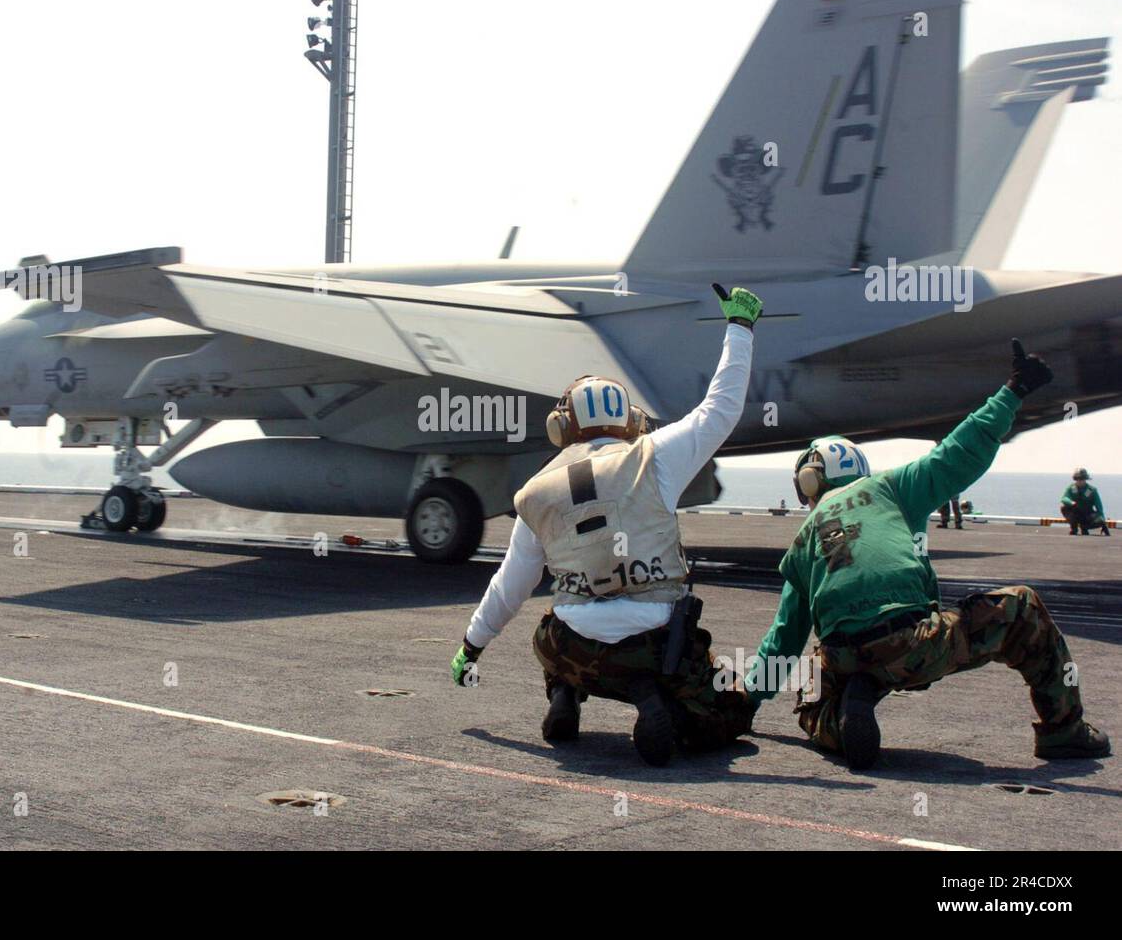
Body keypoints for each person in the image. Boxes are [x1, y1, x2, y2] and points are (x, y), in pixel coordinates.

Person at [744, 340, 1110, 768]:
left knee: (812, 675)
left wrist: (744, 701)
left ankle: (835, 721)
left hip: (843, 655)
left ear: (808, 482)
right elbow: (959, 453)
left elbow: (784, 637)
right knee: (1023, 608)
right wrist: (1014, 390)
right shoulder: (892, 487)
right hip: (915, 646)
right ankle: (1063, 732)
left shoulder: (805, 536)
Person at [449, 288, 764, 766]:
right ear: (630, 421)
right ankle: (652, 700)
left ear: (562, 427)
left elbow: (511, 584)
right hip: (657, 639)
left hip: (573, 641)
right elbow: (719, 409)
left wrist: (471, 648)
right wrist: (739, 329)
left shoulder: (534, 492)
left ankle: (566, 693)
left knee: (548, 628)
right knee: (730, 715)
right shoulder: (654, 456)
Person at [1061, 468, 1109, 536]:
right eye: (1077, 479)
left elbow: (1099, 506)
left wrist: (1103, 522)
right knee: (1064, 508)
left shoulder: (1092, 490)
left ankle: (1084, 527)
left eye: (1081, 479)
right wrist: (1071, 502)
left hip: (1088, 514)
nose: (1079, 481)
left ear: (1085, 479)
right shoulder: (1071, 488)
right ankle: (1074, 528)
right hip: (1076, 512)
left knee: (1100, 521)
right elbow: (1064, 498)